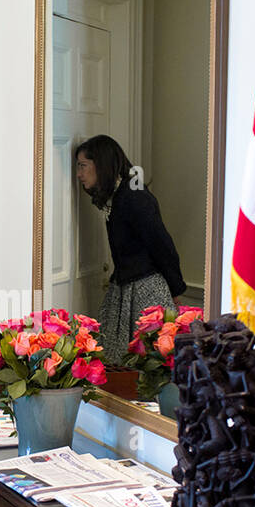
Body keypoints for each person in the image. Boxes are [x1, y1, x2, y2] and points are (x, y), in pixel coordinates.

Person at [74, 134, 187, 362]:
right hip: (125, 287)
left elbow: (161, 244)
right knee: (120, 360)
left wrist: (176, 289)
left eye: (83, 166)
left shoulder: (134, 196)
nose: (79, 174)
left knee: (146, 361)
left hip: (146, 290)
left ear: (101, 164)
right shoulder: (116, 197)